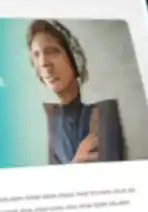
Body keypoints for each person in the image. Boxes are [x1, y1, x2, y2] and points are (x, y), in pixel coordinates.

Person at [26, 20, 125, 165]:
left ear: (73, 58)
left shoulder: (102, 111)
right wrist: (76, 163)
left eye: (53, 51)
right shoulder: (51, 121)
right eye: (36, 55)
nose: (44, 63)